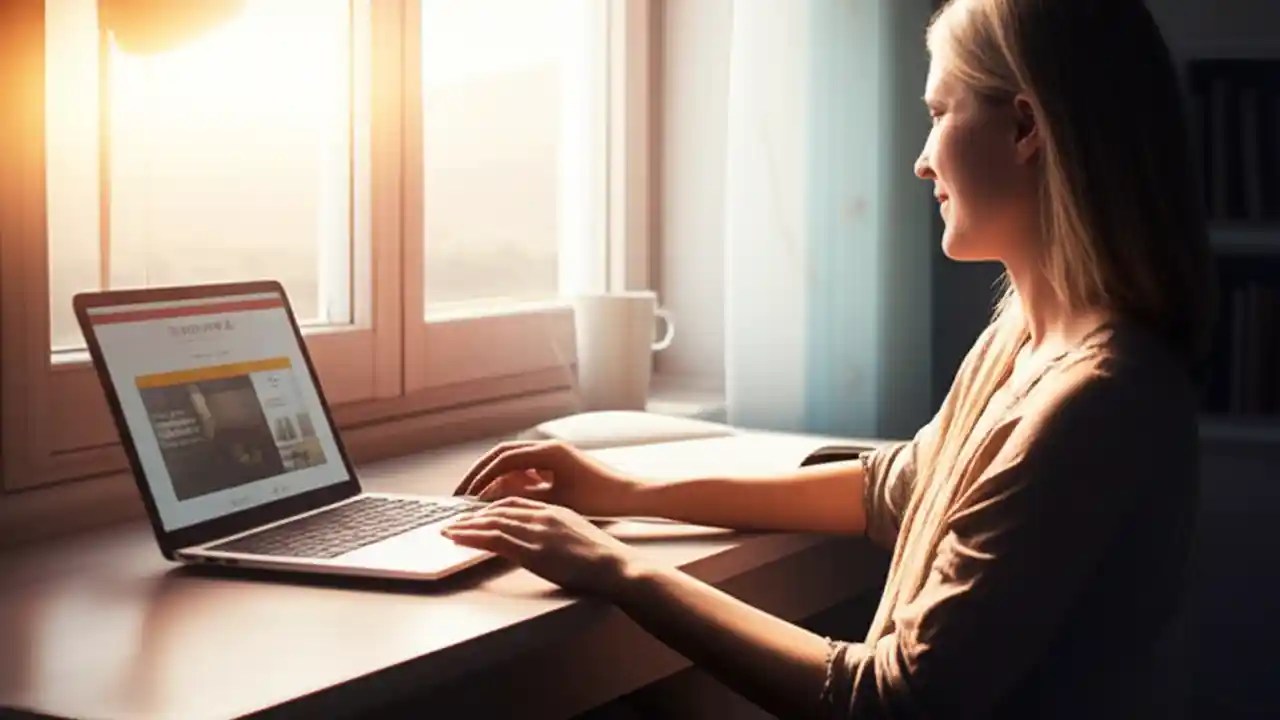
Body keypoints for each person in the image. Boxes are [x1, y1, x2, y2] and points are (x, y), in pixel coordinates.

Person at [444, 0, 1211, 716]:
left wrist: (620, 570)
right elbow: (891, 489)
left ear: (1023, 129)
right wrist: (624, 489)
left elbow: (886, 698)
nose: (920, 161)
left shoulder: (1098, 403)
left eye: (939, 113)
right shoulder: (1022, 341)